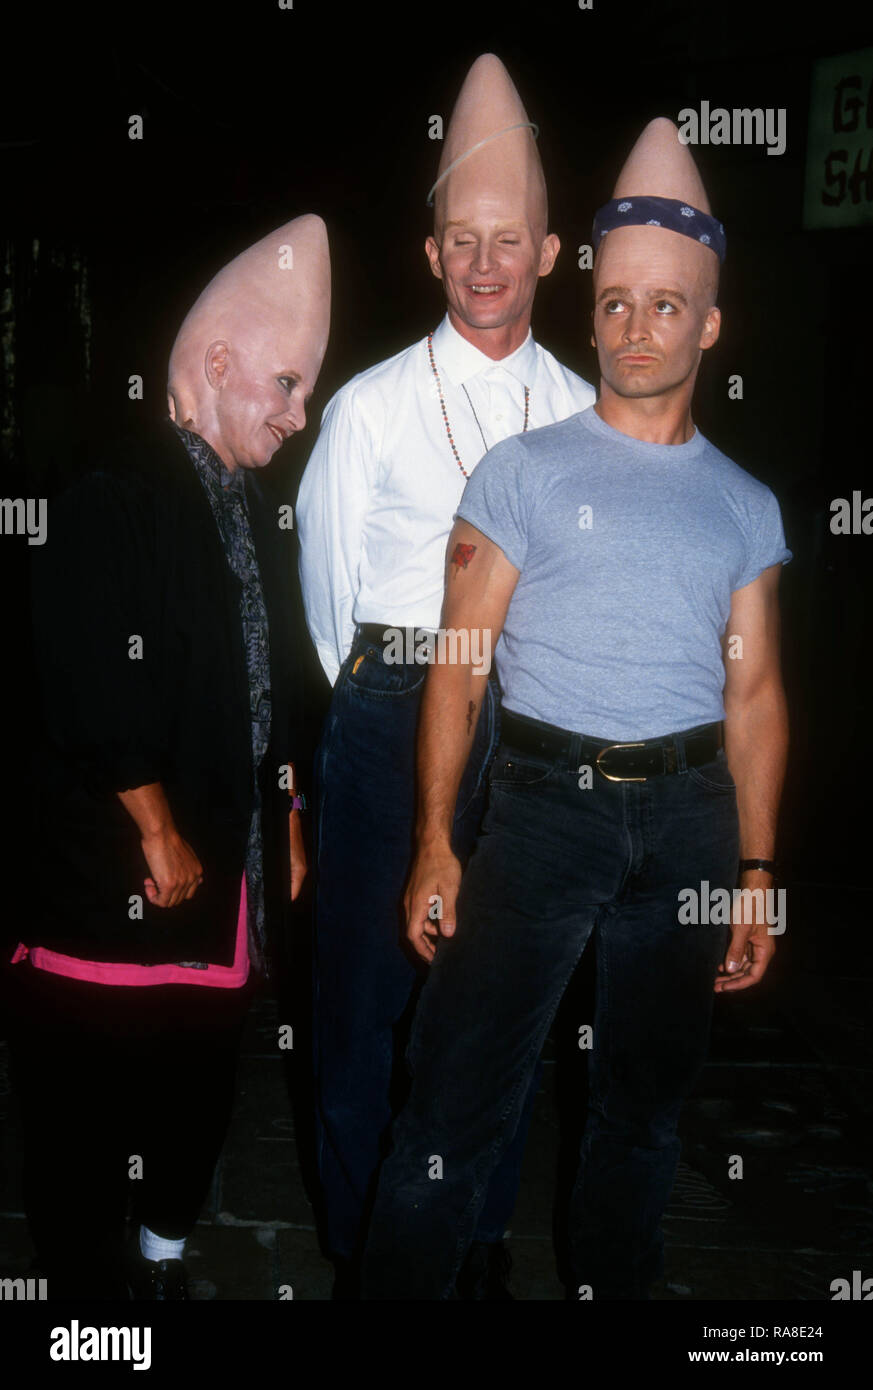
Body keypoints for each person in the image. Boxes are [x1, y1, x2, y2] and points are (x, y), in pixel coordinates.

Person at [362, 118, 791, 1300]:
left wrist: (757, 870)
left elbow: (754, 695)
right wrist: (436, 840)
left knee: (644, 1117)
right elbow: (457, 663)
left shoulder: (746, 505)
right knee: (455, 1102)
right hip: (546, 813)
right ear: (590, 306)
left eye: (665, 306)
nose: (634, 327)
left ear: (708, 324)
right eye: (615, 303)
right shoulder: (520, 472)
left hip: (696, 818)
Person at [296, 53, 595, 1298]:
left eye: (508, 239)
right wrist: (394, 694)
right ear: (431, 254)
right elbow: (325, 600)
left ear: (550, 251)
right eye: (462, 240)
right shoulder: (367, 408)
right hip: (386, 713)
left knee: (499, 1014)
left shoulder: (586, 414)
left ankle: (469, 1243)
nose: (484, 263)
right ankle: (370, 1246)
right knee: (364, 1009)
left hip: (526, 732)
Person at [5, 215, 331, 1300]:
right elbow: (85, 672)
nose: (296, 415)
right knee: (87, 1091)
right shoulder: (114, 485)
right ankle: (88, 1300)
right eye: (284, 386)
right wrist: (154, 823)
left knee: (195, 1072)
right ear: (218, 362)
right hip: (114, 877)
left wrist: (283, 819)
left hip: (221, 874)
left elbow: (274, 690)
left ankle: (162, 1251)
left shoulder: (248, 507)